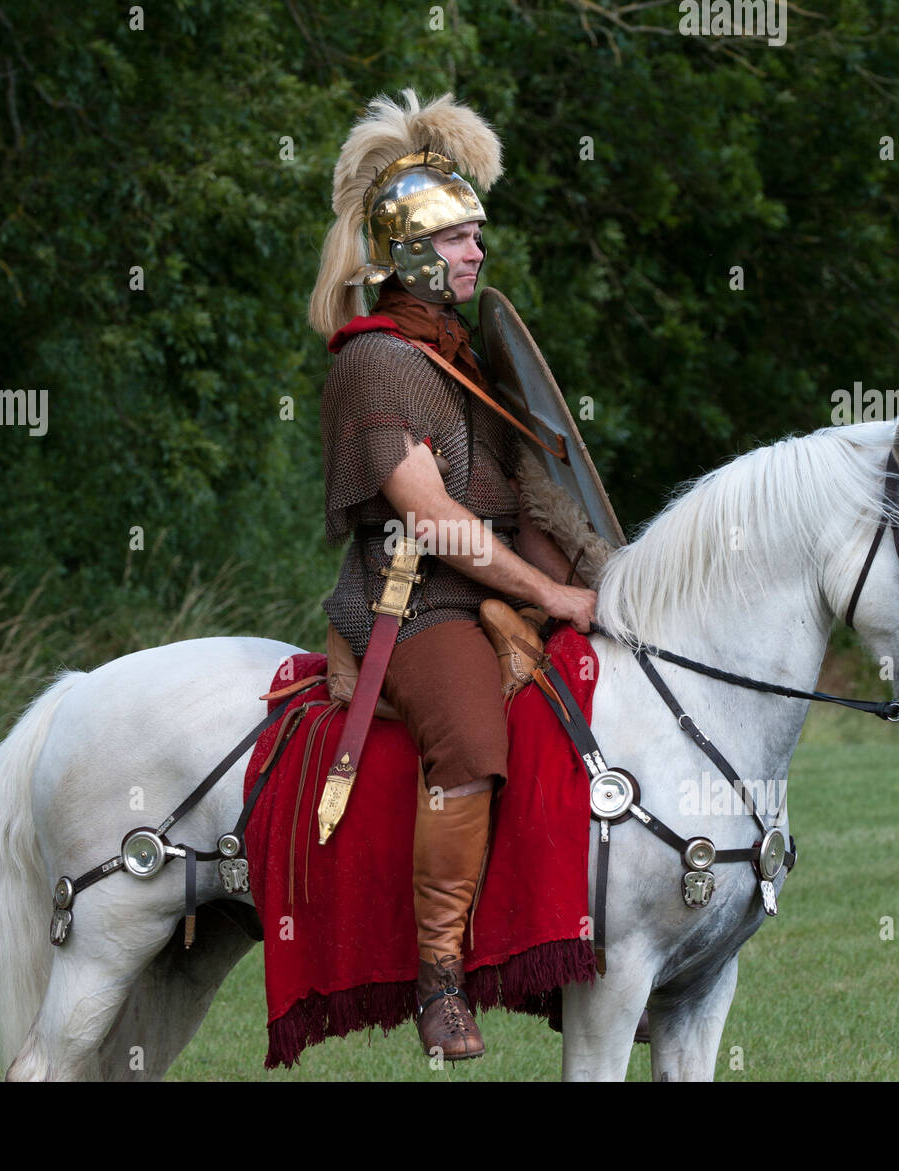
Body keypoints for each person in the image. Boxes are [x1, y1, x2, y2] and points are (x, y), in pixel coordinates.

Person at [307, 89, 597, 1061]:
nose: (478, 253)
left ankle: (557, 945)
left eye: (478, 236)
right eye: (463, 238)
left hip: (493, 593)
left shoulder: (460, 359)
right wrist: (548, 594)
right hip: (418, 601)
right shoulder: (379, 364)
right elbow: (432, 523)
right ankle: (440, 983)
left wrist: (587, 565)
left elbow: (533, 485)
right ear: (415, 253)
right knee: (473, 743)